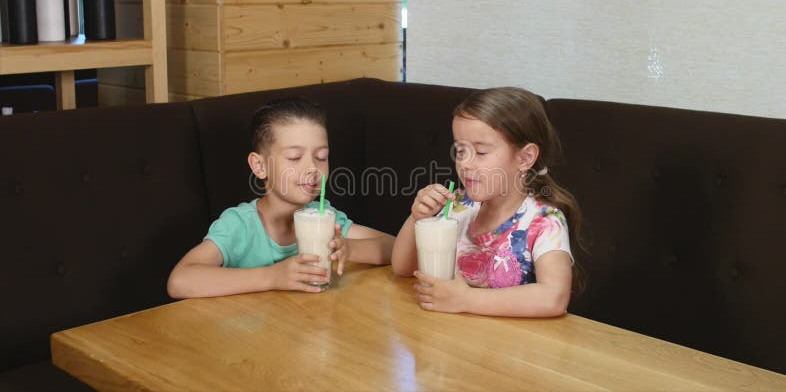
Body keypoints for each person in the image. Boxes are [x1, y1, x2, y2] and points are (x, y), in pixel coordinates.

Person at [168, 98, 394, 298]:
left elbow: (394, 246)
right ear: (259, 166)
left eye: (321, 157)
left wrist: (350, 249)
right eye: (295, 157)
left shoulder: (324, 217)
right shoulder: (240, 225)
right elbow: (180, 281)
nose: (312, 168)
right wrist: (272, 277)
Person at [392, 87, 582, 317]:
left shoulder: (543, 221)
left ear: (525, 158)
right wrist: (418, 219)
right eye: (460, 151)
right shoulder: (458, 206)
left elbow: (554, 298)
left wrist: (466, 300)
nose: (465, 164)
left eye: (480, 152)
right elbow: (402, 268)